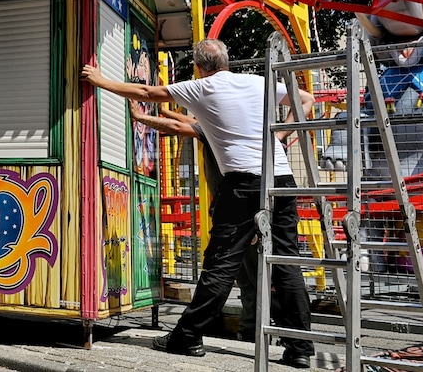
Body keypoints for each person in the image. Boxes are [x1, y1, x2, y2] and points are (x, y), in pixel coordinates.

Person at [82, 38, 315, 369]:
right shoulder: (258, 82)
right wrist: (277, 137)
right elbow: (306, 100)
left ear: (199, 67)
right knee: (287, 263)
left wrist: (99, 80)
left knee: (221, 264)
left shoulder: (203, 87)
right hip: (282, 180)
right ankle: (301, 348)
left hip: (243, 184)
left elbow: (149, 94)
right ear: (227, 60)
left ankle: (188, 336)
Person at [134, 106, 259, 342]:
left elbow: (182, 126)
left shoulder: (216, 128)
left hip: (234, 209)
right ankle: (262, 331)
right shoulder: (238, 128)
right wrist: (163, 110)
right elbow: (189, 121)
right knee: (248, 274)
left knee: (225, 272)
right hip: (248, 206)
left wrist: (142, 116)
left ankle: (226, 329)